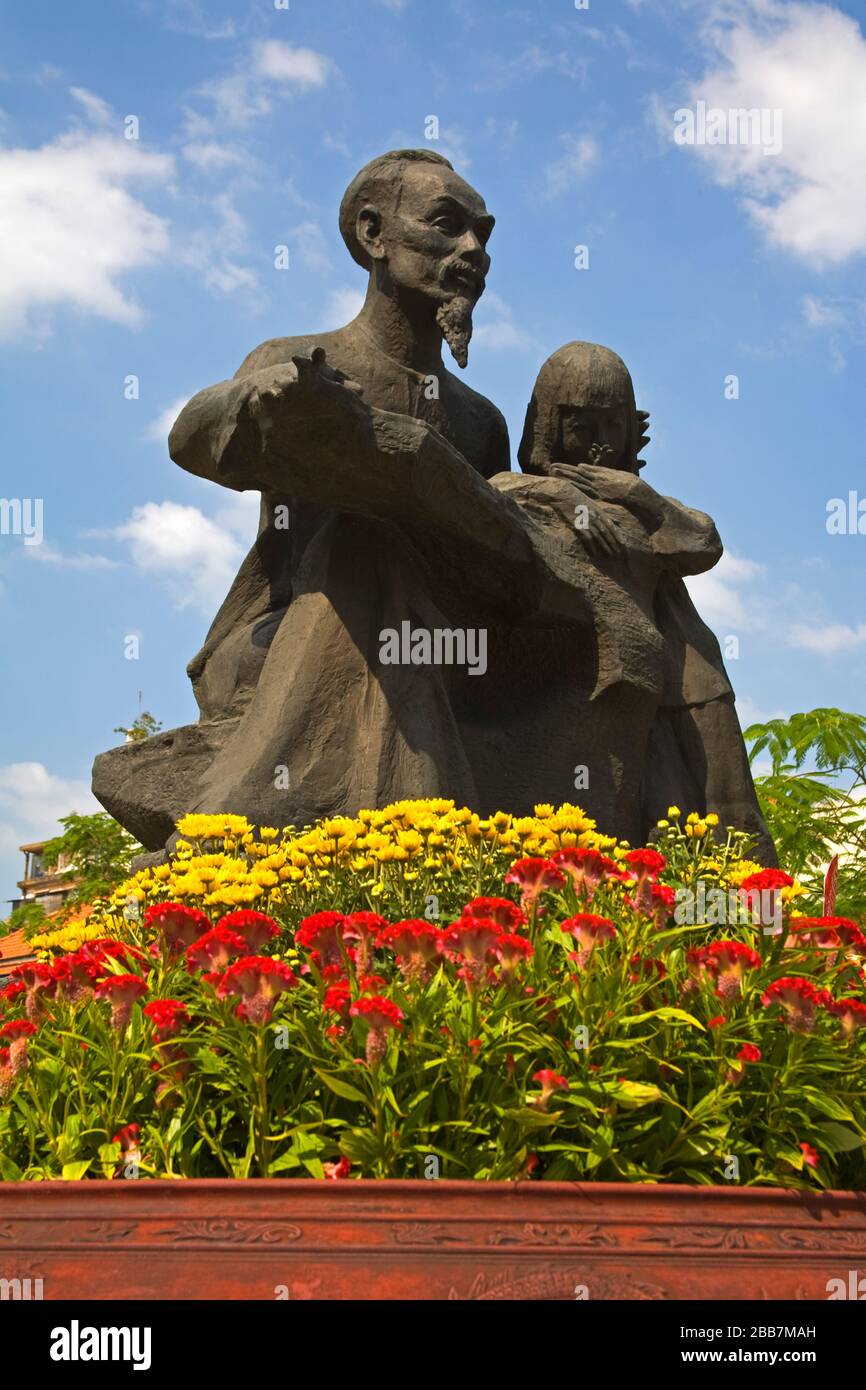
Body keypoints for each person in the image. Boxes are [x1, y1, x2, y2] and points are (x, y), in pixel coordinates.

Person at [511, 341, 775, 862]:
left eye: (614, 426)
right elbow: (495, 493)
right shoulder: (527, 490)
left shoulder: (642, 502)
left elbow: (703, 542)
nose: (600, 445)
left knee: (722, 817)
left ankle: (745, 929)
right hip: (591, 685)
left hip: (686, 682)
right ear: (549, 426)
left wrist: (635, 492)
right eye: (582, 428)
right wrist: (562, 495)